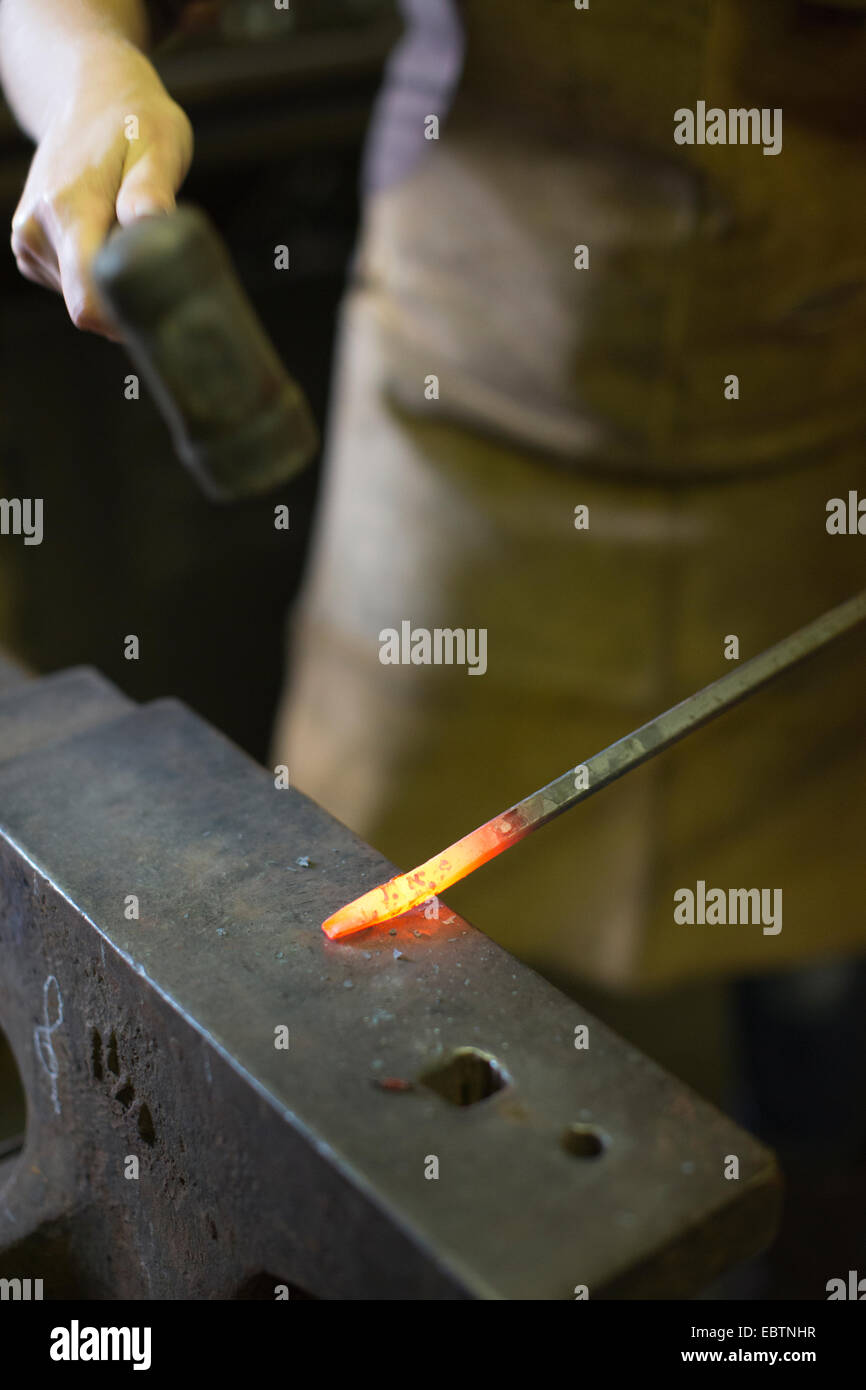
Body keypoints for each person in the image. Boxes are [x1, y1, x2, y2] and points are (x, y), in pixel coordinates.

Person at [3, 1, 865, 1163]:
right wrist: (86, 73)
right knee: (387, 1024)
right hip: (471, 397)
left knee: (814, 1017)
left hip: (821, 426)